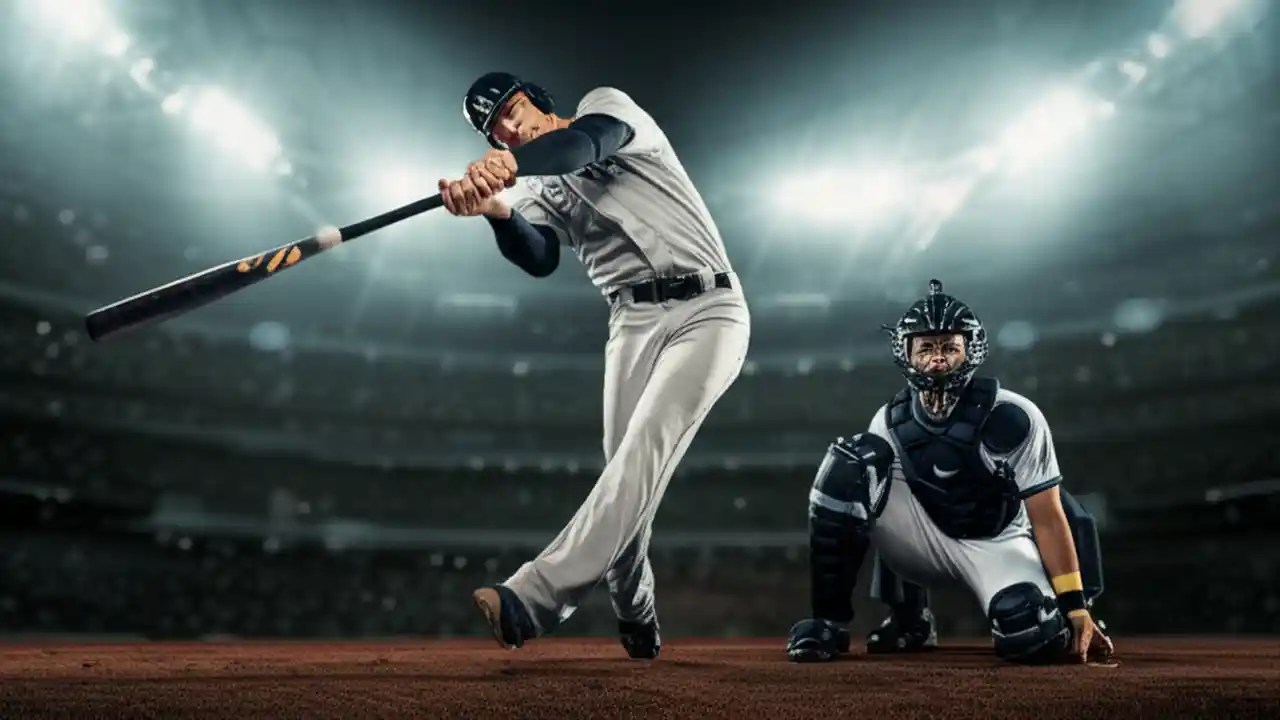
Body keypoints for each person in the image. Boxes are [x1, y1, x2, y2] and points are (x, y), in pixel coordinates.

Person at [438, 72, 751, 660]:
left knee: (640, 457)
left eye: (514, 107)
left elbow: (583, 145)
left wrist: (510, 167)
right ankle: (637, 610)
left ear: (537, 97)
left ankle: (532, 599)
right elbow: (539, 257)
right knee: (621, 477)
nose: (510, 126)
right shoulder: (533, 184)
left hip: (708, 309)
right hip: (630, 321)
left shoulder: (603, 108)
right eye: (497, 126)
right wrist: (495, 211)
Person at [785, 279, 1113, 664]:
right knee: (849, 466)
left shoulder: (1014, 417)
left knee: (1028, 629)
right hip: (919, 540)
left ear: (970, 350)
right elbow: (875, 497)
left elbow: (1050, 515)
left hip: (995, 540)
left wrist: (1075, 604)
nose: (937, 359)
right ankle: (839, 622)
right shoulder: (888, 421)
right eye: (926, 347)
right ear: (906, 352)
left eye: (949, 347)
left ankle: (1046, 615)